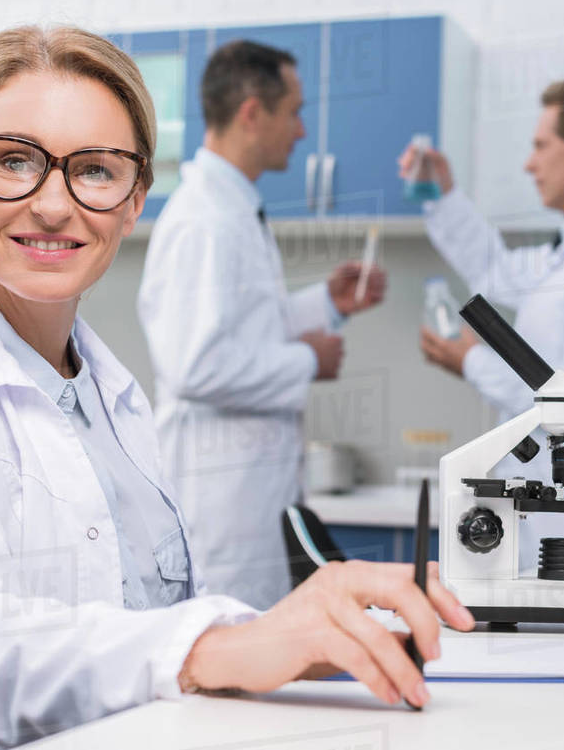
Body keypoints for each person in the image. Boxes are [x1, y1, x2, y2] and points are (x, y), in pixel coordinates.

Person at [0, 26, 469, 750]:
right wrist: (226, 645)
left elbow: (138, 642)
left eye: (94, 170)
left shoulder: (114, 403)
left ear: (134, 202)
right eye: (12, 161)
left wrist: (301, 636)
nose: (53, 204)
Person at [137, 41, 387, 609]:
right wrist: (309, 360)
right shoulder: (205, 221)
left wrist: (328, 303)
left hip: (249, 498)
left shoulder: (234, 211)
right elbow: (195, 365)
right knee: (229, 670)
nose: (301, 131)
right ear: (252, 113)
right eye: (294, 111)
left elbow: (244, 329)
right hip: (219, 507)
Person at [407, 78, 564, 562]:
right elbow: (496, 271)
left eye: (541, 145)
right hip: (552, 518)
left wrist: (472, 362)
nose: (530, 163)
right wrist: (443, 194)